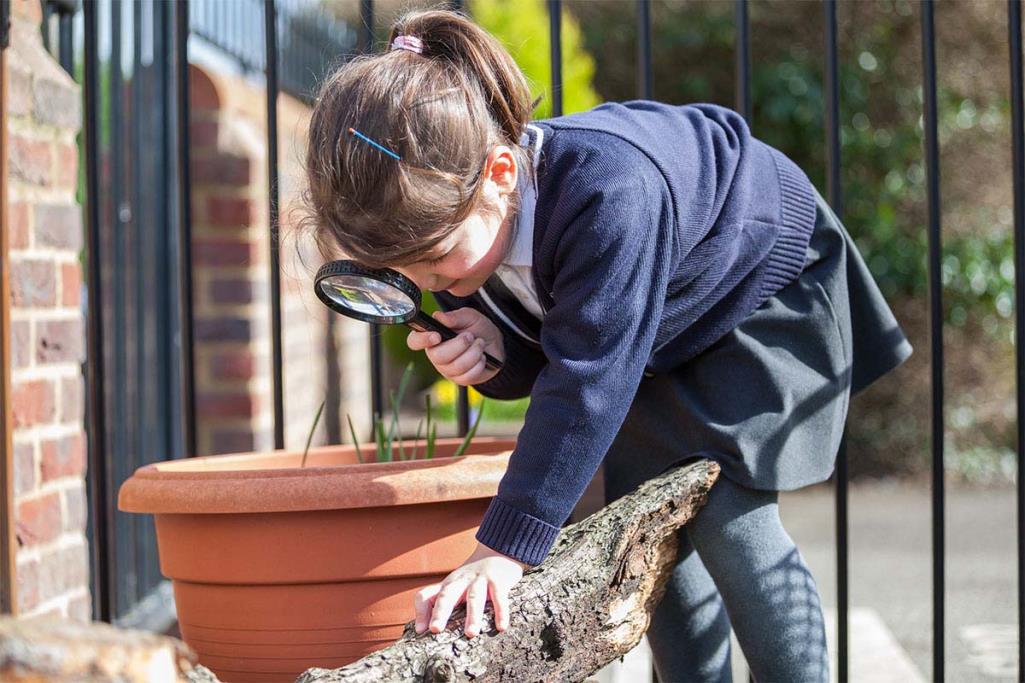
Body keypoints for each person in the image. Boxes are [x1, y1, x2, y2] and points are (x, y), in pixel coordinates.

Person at [301, 8, 912, 682]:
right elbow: (557, 340)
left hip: (759, 282)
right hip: (662, 322)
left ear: (501, 172)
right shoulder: (459, 222)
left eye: (436, 259)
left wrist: (502, 548)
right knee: (648, 532)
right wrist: (495, 352)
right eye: (404, 273)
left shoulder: (607, 191)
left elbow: (588, 378)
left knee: (727, 512)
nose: (430, 285)